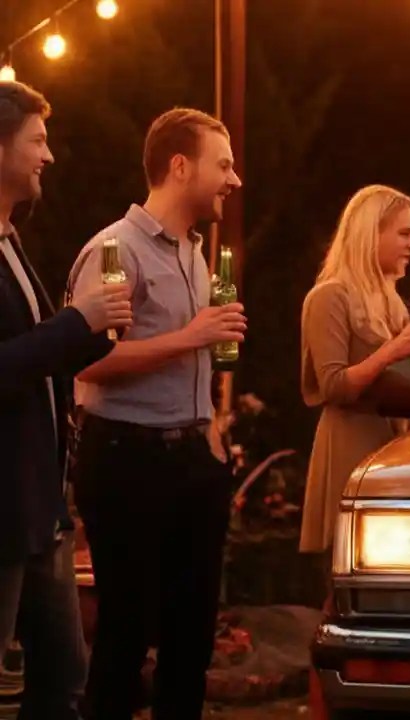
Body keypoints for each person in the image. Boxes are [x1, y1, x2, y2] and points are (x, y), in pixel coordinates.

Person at [67, 107, 245, 720]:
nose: (234, 179)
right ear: (179, 166)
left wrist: (213, 433)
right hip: (127, 459)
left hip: (191, 460)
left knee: (192, 635)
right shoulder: (115, 250)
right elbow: (85, 364)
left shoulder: (197, 253)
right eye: (222, 164)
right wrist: (192, 336)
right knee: (125, 635)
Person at [0, 81, 130, 720]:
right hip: (2, 509)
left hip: (40, 509)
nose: (48, 156)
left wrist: (96, 335)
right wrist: (78, 321)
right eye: (37, 141)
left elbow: (38, 360)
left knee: (62, 681)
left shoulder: (12, 241)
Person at [299, 184, 410, 555]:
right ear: (369, 234)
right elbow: (333, 386)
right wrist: (393, 350)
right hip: (349, 448)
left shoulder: (391, 303)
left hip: (390, 452)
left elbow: (399, 385)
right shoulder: (329, 297)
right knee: (344, 577)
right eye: (404, 233)